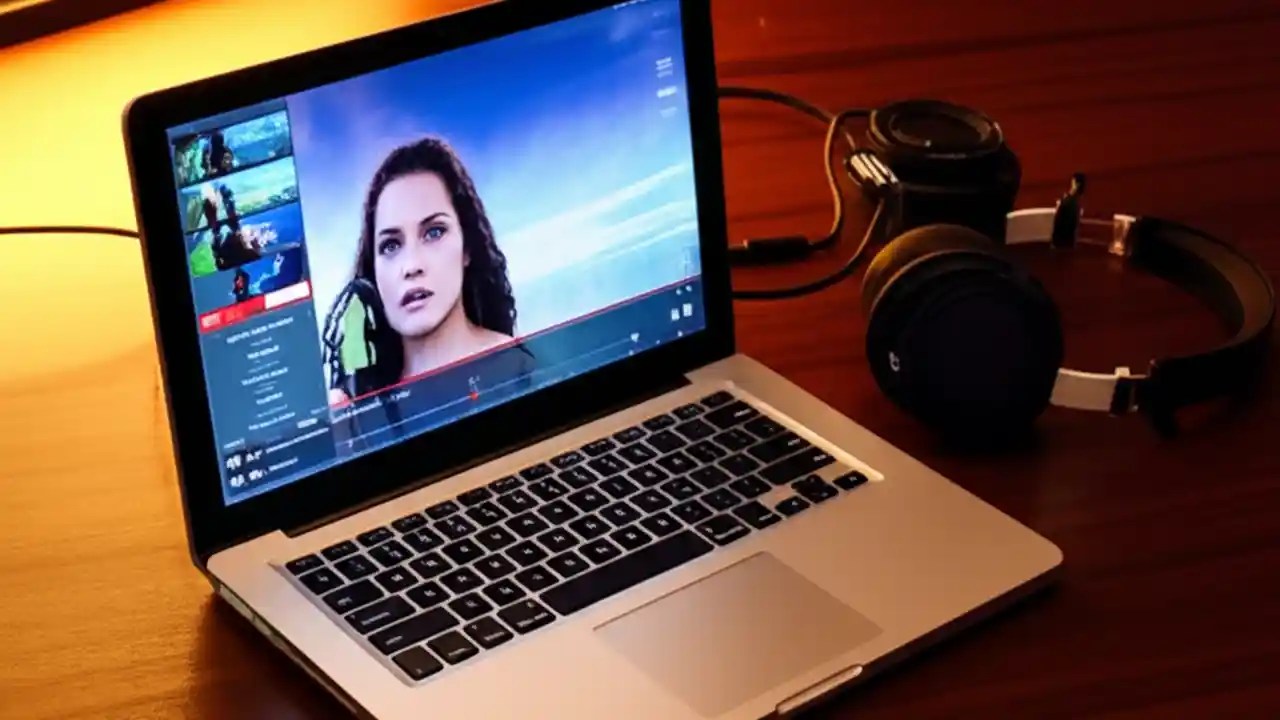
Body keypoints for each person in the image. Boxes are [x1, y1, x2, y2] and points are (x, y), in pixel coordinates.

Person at [323, 137, 526, 405]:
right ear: (373, 273)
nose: (411, 266)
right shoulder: (364, 410)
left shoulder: (523, 370)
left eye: (434, 232)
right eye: (391, 245)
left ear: (467, 247)